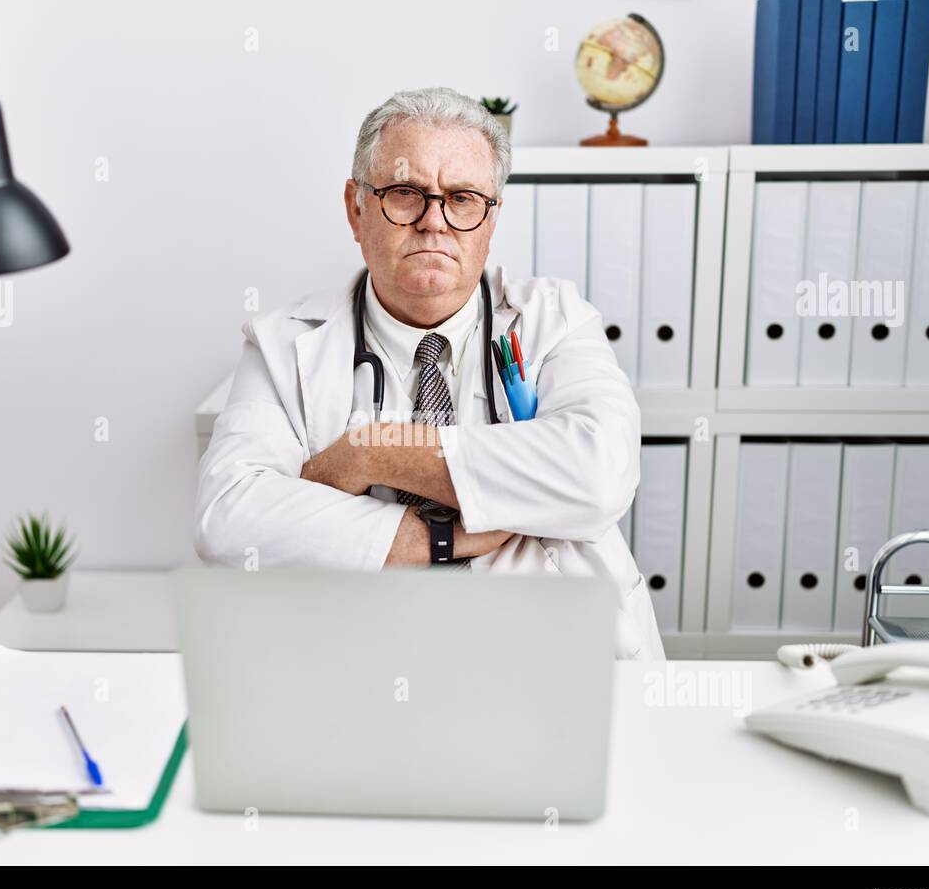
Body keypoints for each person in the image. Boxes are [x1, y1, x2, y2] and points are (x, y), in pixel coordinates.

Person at [195, 87, 663, 660]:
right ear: (357, 209)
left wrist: (372, 451)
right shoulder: (282, 343)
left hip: (552, 650)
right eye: (405, 193)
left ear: (492, 219)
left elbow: (600, 476)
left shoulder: (553, 319)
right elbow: (229, 520)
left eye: (462, 198)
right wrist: (438, 539)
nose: (433, 222)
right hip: (363, 655)